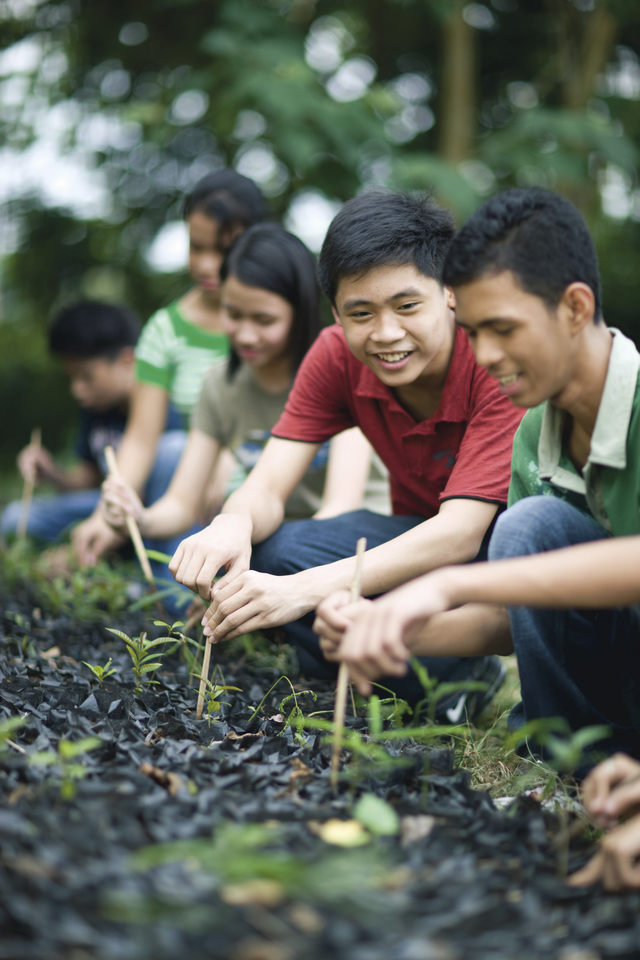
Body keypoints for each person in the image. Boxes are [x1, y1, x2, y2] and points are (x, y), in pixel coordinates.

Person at [167, 192, 524, 717]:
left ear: (451, 292)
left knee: (294, 585)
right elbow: (268, 484)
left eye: (407, 306)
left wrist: (301, 592)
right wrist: (232, 523)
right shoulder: (335, 355)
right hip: (411, 541)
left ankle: (462, 675)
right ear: (335, 313)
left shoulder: (493, 358)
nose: (386, 333)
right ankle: (403, 681)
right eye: (361, 312)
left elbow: (461, 533)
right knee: (266, 554)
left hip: (507, 557)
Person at [320, 187, 640, 755]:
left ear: (575, 308)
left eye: (504, 329)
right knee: (530, 531)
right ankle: (577, 761)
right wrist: (387, 626)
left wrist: (446, 582)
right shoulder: (535, 431)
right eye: (472, 333)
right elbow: (512, 614)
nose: (485, 355)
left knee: (526, 527)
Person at [100, 224, 378, 585]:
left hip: (351, 541)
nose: (246, 335)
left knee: (267, 555)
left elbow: (340, 508)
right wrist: (138, 519)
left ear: (300, 312)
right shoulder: (220, 385)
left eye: (265, 320)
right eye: (233, 314)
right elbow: (183, 504)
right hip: (270, 535)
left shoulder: (339, 372)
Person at [72, 169, 266, 567]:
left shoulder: (274, 327)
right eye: (197, 248)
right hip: (181, 491)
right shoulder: (165, 330)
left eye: (223, 249)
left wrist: (234, 457)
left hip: (259, 491)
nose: (208, 265)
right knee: (173, 448)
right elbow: (142, 439)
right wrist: (107, 515)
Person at [0, 301, 182, 547]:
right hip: (102, 507)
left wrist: (75, 556)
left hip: (152, 512)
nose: (77, 390)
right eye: (71, 378)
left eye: (86, 376)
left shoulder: (164, 408)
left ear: (126, 362)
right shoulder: (97, 409)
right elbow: (89, 478)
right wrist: (52, 472)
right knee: (16, 516)